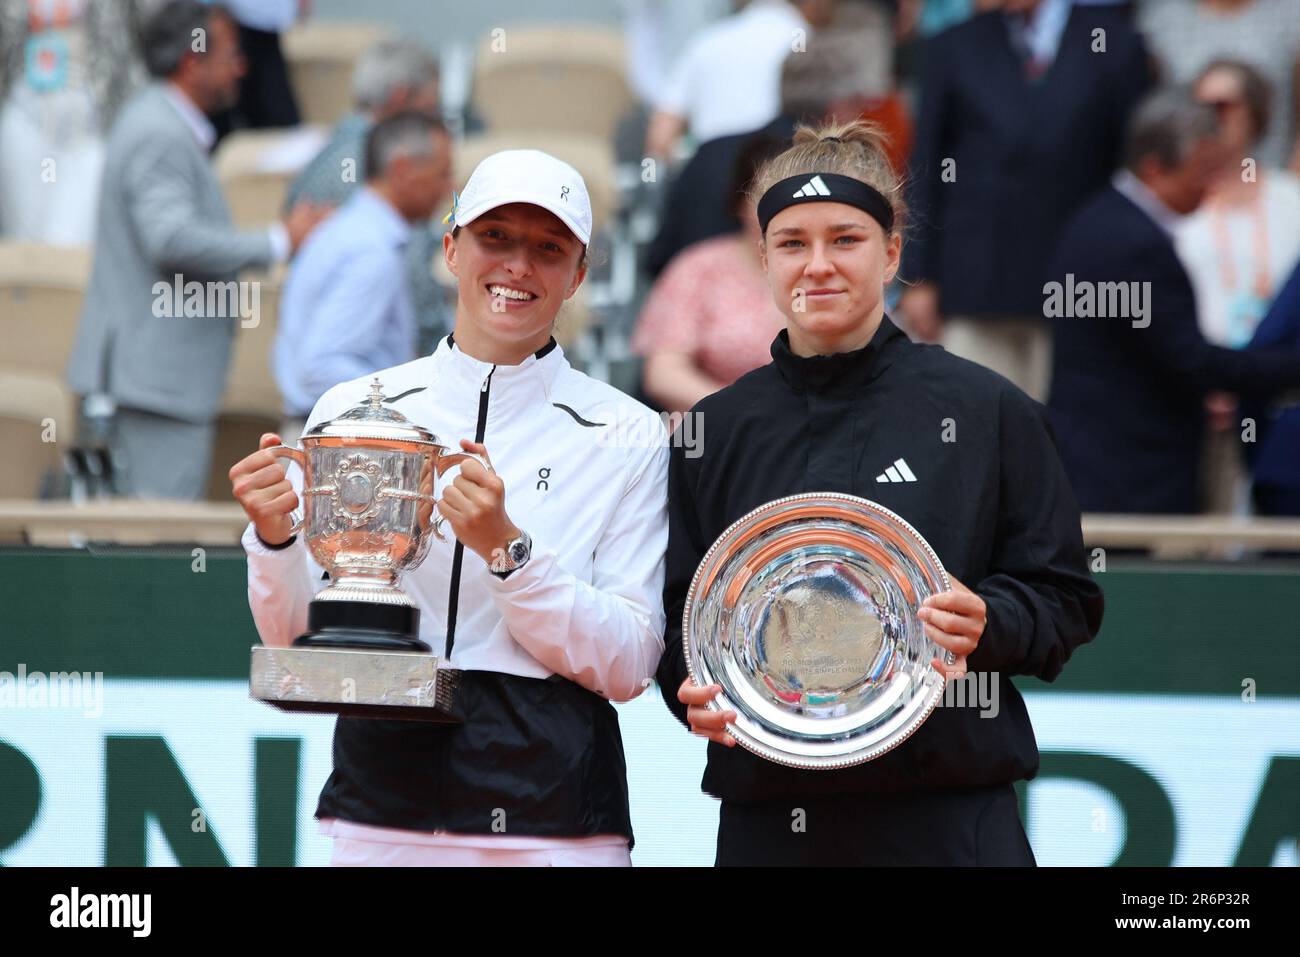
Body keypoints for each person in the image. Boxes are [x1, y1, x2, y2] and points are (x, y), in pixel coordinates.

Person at [656, 118, 1104, 866]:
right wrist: (687, 686)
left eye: (846, 239)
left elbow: (1066, 599)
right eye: (792, 243)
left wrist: (989, 620)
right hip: (773, 818)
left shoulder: (988, 410)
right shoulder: (716, 429)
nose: (818, 265)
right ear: (763, 259)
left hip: (949, 816)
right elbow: (680, 612)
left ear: (892, 251)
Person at [230, 148, 669, 866]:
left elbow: (628, 661)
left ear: (579, 274)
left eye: (548, 248)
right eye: (496, 237)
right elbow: (298, 637)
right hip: (382, 811)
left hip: (555, 821)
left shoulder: (627, 431)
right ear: (450, 247)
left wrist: (509, 552)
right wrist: (275, 538)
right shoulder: (352, 412)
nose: (518, 266)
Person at [64, 0, 326, 500]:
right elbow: (169, 238)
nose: (241, 66)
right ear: (192, 60)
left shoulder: (159, 123)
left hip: (155, 384)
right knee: (151, 545)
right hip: (153, 386)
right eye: (230, 53)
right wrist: (279, 240)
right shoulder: (159, 133)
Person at [1047, 88, 1300, 514]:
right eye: (1202, 171)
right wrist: (1290, 367)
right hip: (1130, 470)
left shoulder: (1096, 218)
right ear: (1155, 168)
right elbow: (1191, 359)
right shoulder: (1135, 243)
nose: (1210, 187)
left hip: (1095, 458)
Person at [898, 0, 1150, 401]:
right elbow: (927, 164)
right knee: (978, 433)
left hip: (1079, 290)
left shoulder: (1116, 44)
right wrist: (917, 277)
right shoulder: (953, 45)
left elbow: (1133, 175)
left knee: (1066, 442)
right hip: (975, 282)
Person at [274, 111, 453, 440]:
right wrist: (413, 399)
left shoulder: (353, 230)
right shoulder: (372, 250)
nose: (448, 189)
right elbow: (320, 366)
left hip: (328, 433)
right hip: (337, 441)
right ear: (401, 169)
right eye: (442, 174)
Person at [285, 38, 452, 357]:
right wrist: (442, 355)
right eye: (433, 104)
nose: (436, 118)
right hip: (366, 374)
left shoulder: (319, 159)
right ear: (402, 96)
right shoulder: (385, 163)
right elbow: (413, 279)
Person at [633, 134, 789, 414]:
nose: (780, 210)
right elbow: (663, 374)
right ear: (740, 200)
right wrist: (744, 413)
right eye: (766, 195)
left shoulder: (828, 269)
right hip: (716, 432)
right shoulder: (699, 268)